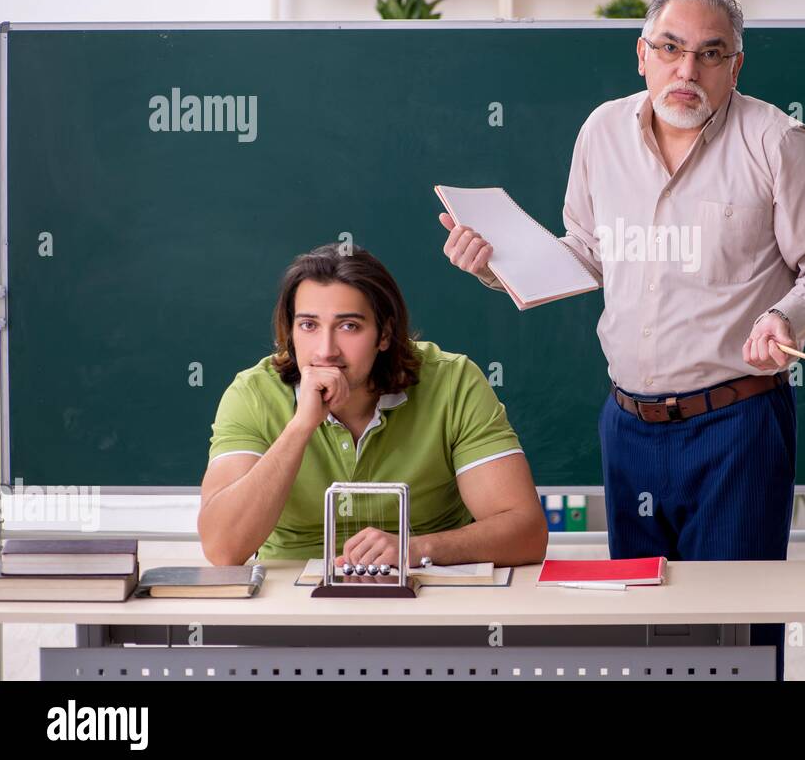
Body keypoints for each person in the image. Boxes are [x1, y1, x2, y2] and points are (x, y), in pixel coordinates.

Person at [440, 0, 805, 678]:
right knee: (638, 629)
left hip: (738, 423)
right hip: (628, 425)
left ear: (736, 65)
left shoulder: (774, 141)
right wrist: (494, 266)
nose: (686, 71)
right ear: (642, 54)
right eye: (670, 49)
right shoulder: (601, 132)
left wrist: (787, 315)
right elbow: (584, 254)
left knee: (735, 632)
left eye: (709, 53)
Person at [198, 242, 548, 569]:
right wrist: (301, 426)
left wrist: (416, 549)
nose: (325, 350)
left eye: (349, 326)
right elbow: (222, 549)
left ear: (384, 334)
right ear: (290, 332)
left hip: (428, 594)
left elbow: (527, 533)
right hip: (290, 596)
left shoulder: (453, 382)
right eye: (308, 325)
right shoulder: (253, 393)